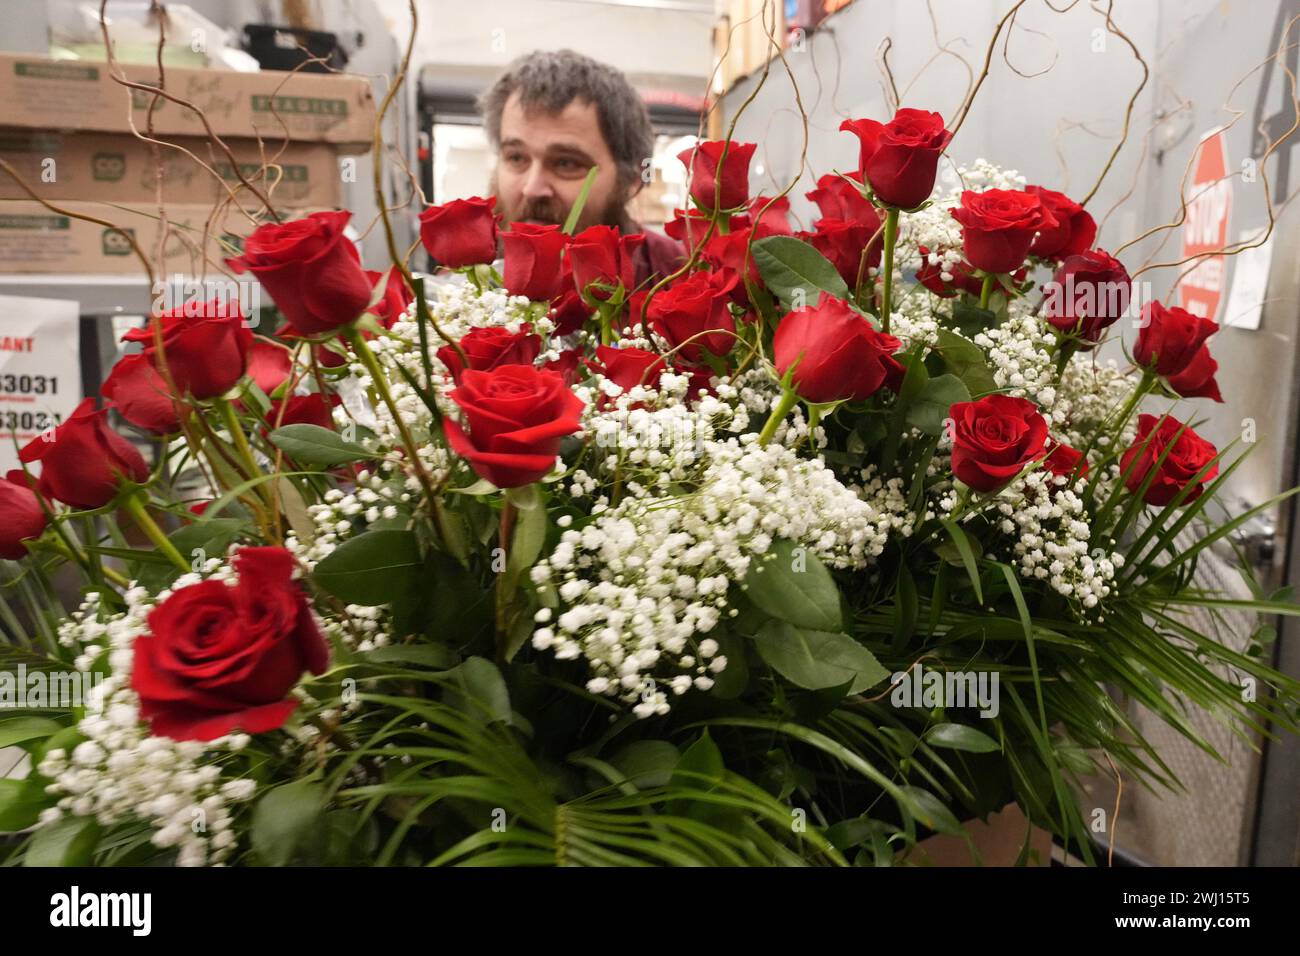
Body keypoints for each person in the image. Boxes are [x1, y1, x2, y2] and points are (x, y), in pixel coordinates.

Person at [478, 49, 685, 287]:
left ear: (632, 180)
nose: (532, 188)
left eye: (566, 163)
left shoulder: (674, 278)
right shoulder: (459, 293)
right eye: (516, 158)